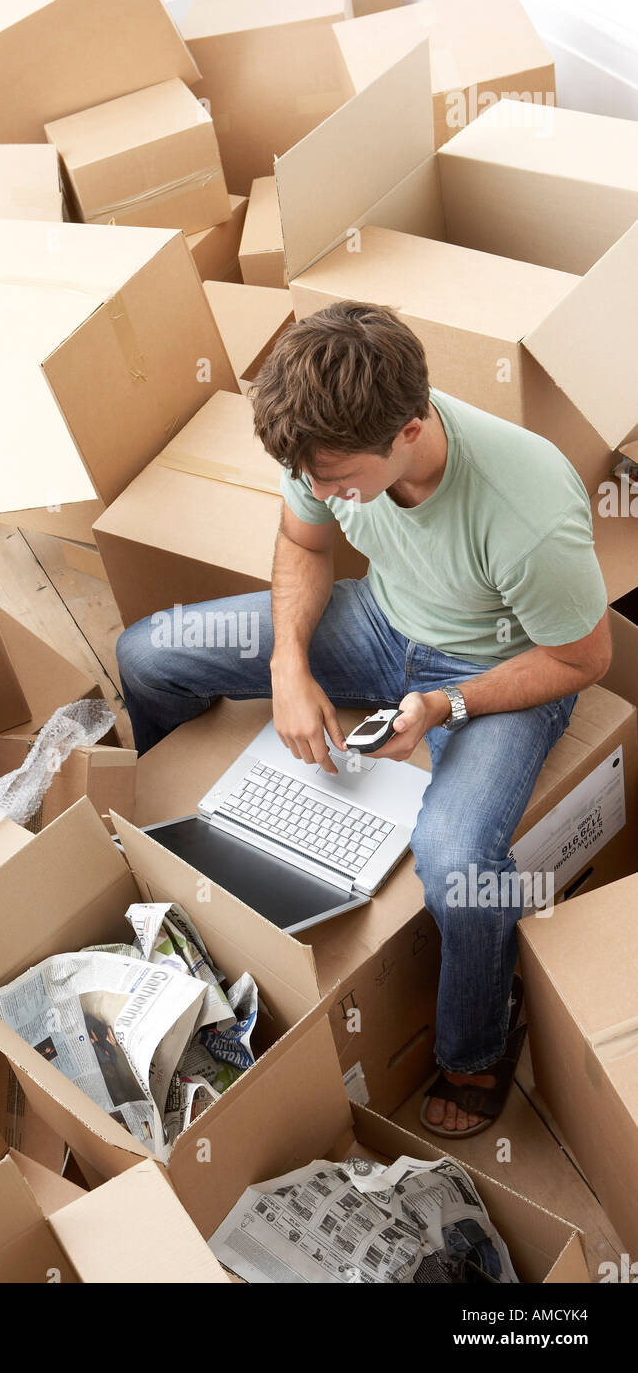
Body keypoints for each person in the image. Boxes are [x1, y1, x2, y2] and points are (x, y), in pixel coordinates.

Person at [116, 301, 611, 1136]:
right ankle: (171, 822)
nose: (320, 492)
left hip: (498, 665)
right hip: (381, 622)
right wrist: (287, 665)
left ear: (411, 430)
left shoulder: (524, 508)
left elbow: (583, 660)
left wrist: (446, 704)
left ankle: (477, 1049)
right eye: (309, 475)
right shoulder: (319, 441)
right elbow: (303, 543)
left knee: (456, 864)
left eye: (337, 477)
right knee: (147, 652)